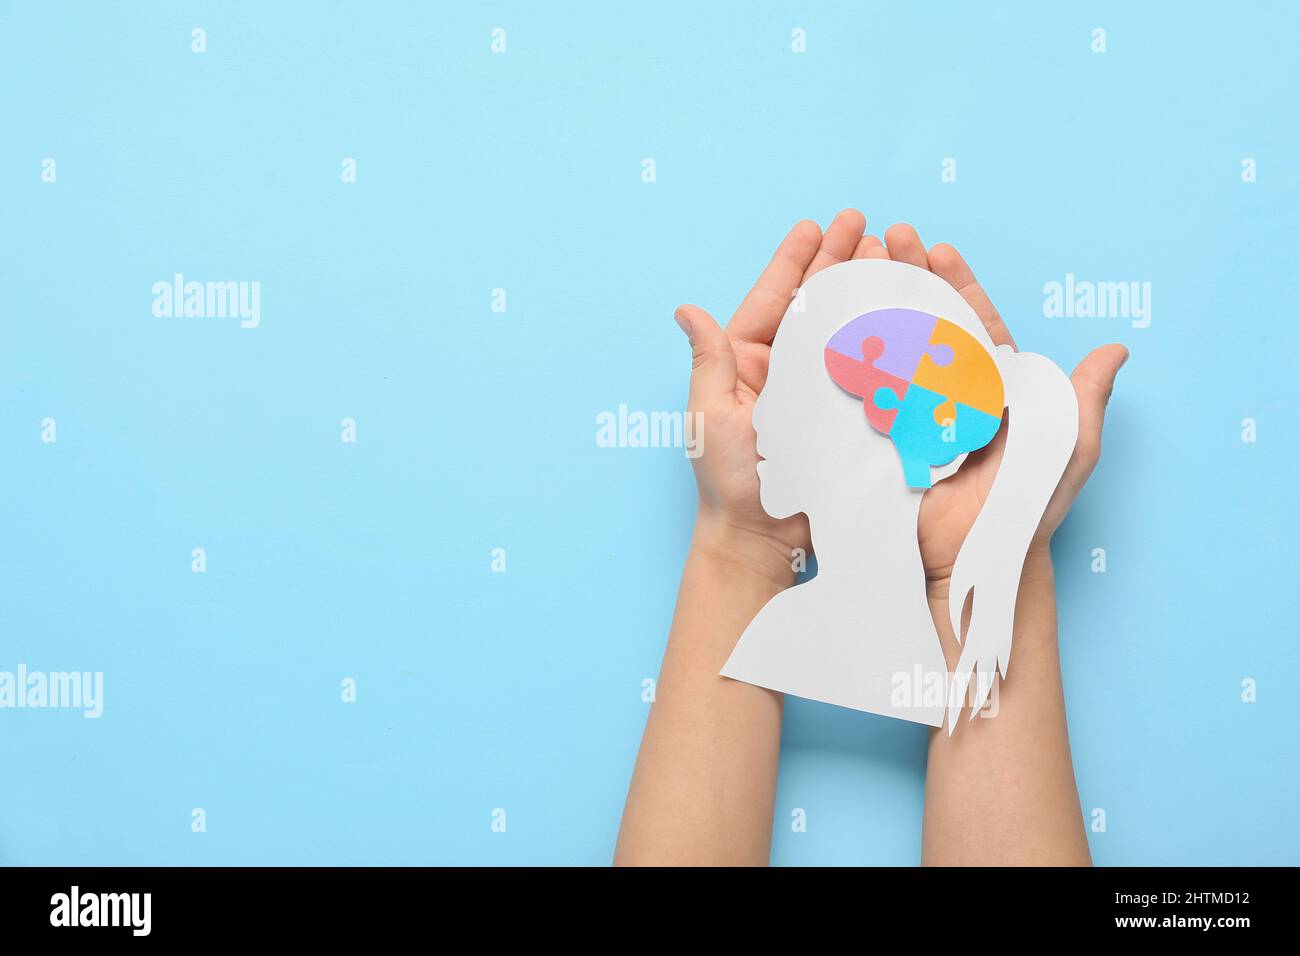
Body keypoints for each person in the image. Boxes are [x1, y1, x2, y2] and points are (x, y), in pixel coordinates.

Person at [614, 210, 1128, 866]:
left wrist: (741, 547)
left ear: (868, 433)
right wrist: (744, 542)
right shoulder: (811, 624)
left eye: (786, 390)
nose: (757, 416)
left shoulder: (802, 625)